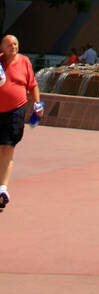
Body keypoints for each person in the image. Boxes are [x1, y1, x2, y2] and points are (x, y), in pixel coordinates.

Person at [0, 35, 42, 213]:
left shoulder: (24, 62)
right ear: (2, 47)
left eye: (16, 44)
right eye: (9, 44)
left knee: (8, 147)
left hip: (15, 112)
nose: (13, 47)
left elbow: (33, 85)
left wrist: (37, 104)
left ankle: (2, 189)